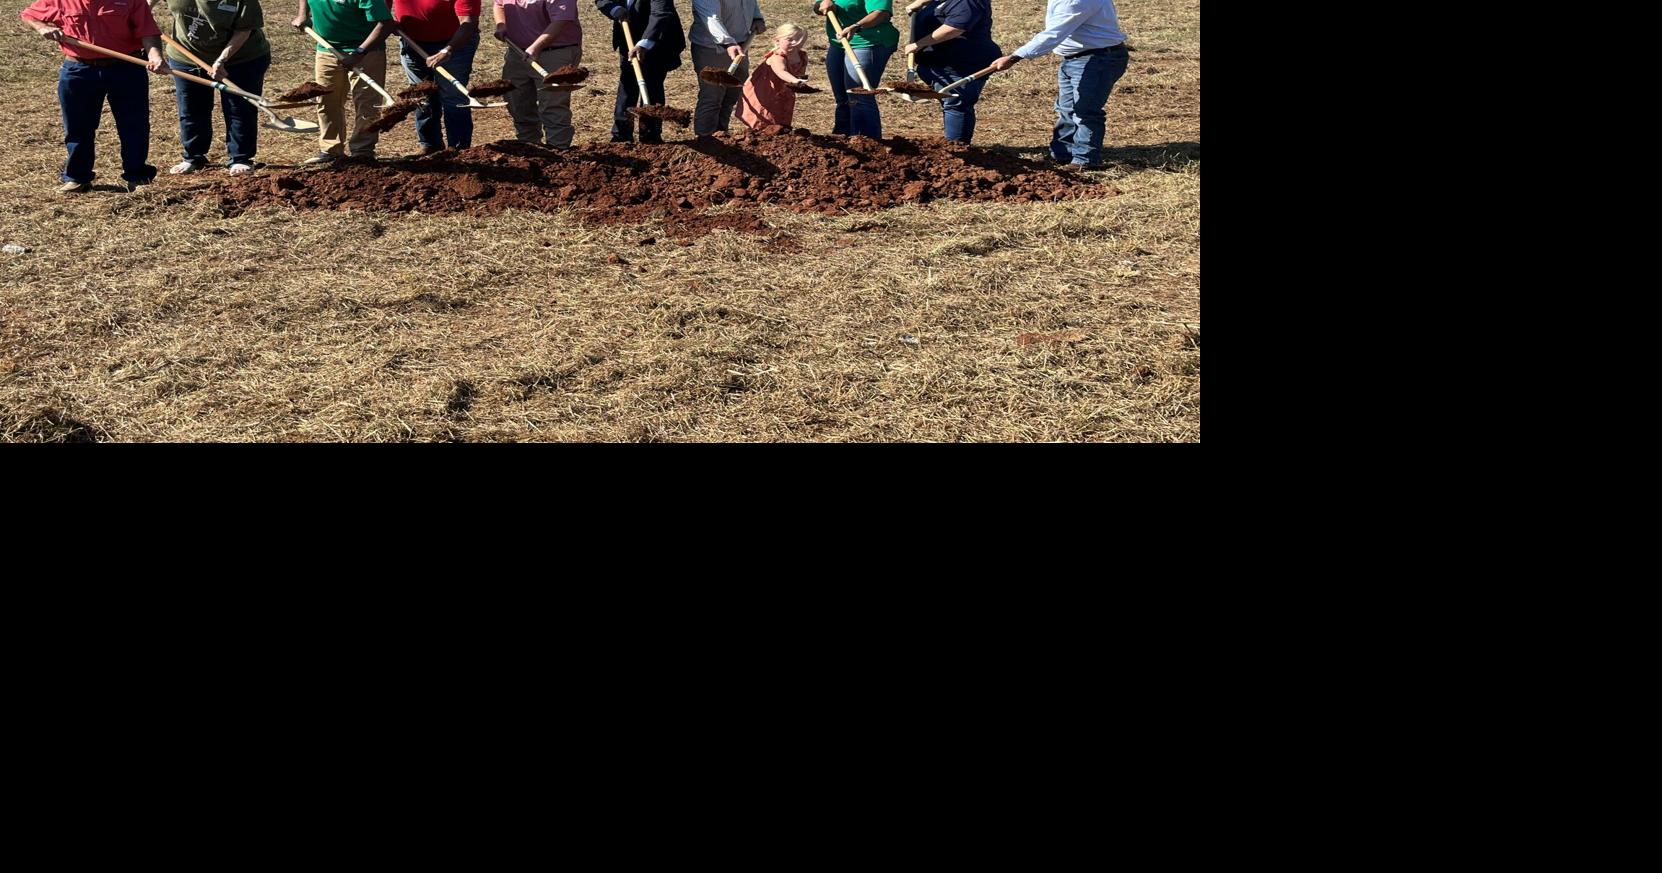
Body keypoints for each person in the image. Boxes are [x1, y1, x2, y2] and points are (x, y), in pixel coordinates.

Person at [20, 0, 169, 193]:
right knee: (77, 126)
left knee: (134, 124)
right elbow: (29, 15)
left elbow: (147, 30)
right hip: (78, 69)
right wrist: (43, 27)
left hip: (126, 68)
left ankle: (138, 176)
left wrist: (155, 55)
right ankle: (78, 177)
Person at [990, 0, 1127, 168]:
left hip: (1097, 59)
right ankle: (1063, 154)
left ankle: (1085, 160)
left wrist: (1014, 57)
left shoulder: (1075, 2)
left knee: (1084, 110)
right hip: (1076, 58)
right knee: (1066, 108)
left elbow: (1054, 34)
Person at [163, 0, 271, 177]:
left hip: (242, 58)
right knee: (191, 108)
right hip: (187, 57)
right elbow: (142, 8)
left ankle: (240, 158)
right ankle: (193, 157)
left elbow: (244, 30)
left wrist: (222, 60)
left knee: (238, 109)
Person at [292, 0, 397, 165]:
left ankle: (362, 152)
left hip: (366, 51)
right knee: (326, 99)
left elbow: (386, 24)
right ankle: (331, 149)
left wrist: (358, 53)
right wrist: (302, 14)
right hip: (327, 49)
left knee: (367, 103)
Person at [392, 0, 481, 156]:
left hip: (455, 43)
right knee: (422, 95)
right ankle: (430, 145)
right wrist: (388, 21)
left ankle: (458, 150)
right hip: (412, 42)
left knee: (453, 96)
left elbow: (469, 23)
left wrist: (447, 51)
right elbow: (379, 6)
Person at [903, 0, 999, 143]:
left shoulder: (967, 2)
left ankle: (957, 148)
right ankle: (953, 145)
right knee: (951, 103)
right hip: (940, 62)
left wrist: (919, 44)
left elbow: (955, 28)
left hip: (962, 64)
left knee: (956, 103)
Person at [593, 0, 683, 145]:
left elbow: (661, 12)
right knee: (627, 84)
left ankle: (650, 136)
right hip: (628, 35)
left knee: (653, 85)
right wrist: (615, 9)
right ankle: (621, 135)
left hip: (657, 38)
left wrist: (644, 43)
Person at [493, 0, 581, 148]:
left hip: (555, 52)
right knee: (519, 104)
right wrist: (501, 25)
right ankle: (530, 148)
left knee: (552, 106)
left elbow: (561, 20)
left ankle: (559, 150)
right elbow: (499, 4)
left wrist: (536, 47)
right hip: (517, 52)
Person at [813, 0, 896, 138]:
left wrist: (856, 26)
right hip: (838, 43)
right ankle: (843, 138)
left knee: (858, 96)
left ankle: (867, 141)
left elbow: (881, 13)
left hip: (868, 42)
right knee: (842, 98)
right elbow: (820, 7)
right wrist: (822, 5)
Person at [689, 0, 763, 136]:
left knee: (732, 94)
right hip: (712, 48)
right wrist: (728, 42)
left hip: (741, 45)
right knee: (712, 96)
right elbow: (711, 18)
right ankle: (705, 138)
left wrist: (757, 17)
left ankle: (721, 134)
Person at [736, 23, 809, 130]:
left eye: (799, 40)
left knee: (780, 116)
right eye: (790, 40)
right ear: (777, 40)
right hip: (766, 91)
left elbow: (800, 73)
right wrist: (796, 81)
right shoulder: (777, 56)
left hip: (783, 91)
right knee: (765, 117)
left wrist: (801, 82)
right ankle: (760, 135)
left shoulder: (802, 56)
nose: (794, 43)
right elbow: (781, 72)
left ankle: (778, 134)